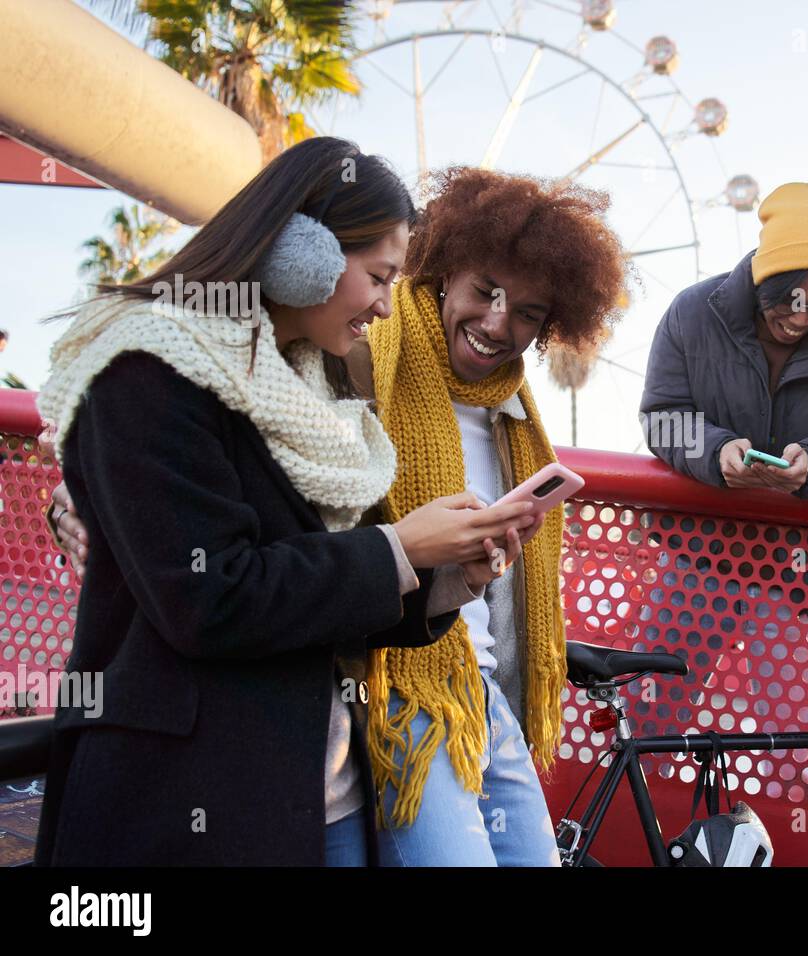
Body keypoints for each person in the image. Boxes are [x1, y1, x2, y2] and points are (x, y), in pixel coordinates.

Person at [34, 137, 535, 866]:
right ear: (302, 252)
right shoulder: (146, 372)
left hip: (318, 793)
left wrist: (451, 577)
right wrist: (400, 548)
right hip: (187, 805)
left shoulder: (306, 392)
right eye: (379, 277)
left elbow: (314, 594)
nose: (387, 308)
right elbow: (212, 599)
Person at [347, 166, 628, 865]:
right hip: (399, 685)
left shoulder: (513, 412)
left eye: (528, 312)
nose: (498, 322)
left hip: (484, 690)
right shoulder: (361, 358)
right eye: (485, 291)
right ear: (445, 273)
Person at [639, 182, 808, 498]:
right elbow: (662, 419)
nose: (800, 319)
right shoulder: (691, 313)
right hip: (697, 536)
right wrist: (715, 452)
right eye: (789, 301)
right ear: (762, 282)